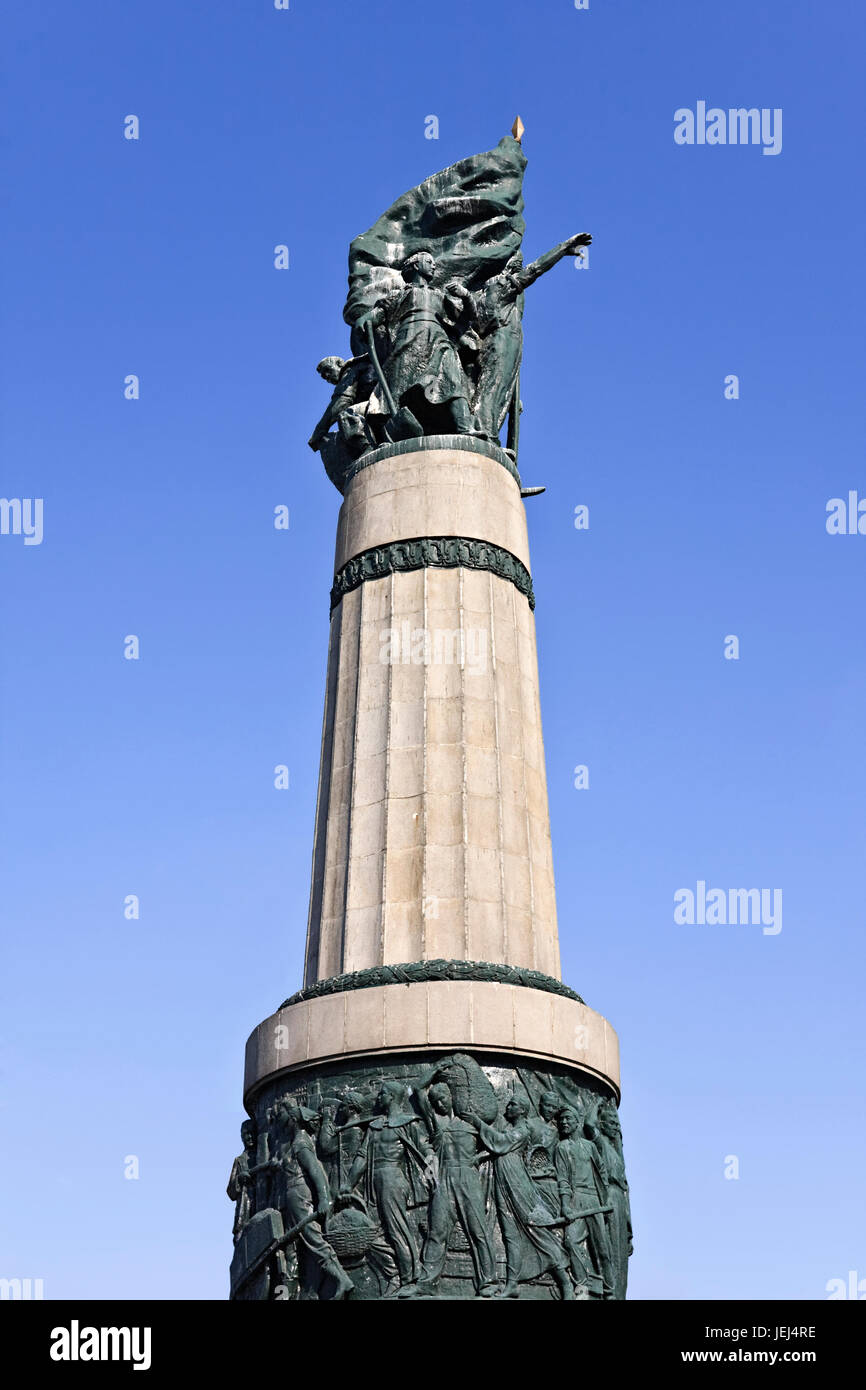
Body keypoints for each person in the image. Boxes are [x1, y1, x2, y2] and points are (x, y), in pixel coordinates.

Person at [474, 233, 592, 441]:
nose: (519, 265)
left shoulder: (482, 292)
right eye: (516, 263)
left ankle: (486, 430)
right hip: (504, 341)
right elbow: (536, 268)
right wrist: (563, 248)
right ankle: (485, 431)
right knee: (495, 388)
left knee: (494, 388)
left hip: (499, 341)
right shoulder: (501, 286)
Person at [356, 251, 480, 437]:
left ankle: (465, 427)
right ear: (416, 265)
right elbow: (373, 317)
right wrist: (364, 322)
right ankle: (387, 433)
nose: (434, 265)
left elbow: (469, 318)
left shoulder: (439, 295)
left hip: (439, 341)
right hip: (408, 343)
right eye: (429, 261)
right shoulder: (400, 294)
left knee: (452, 379)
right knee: (397, 390)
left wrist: (466, 296)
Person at [466, 1096, 574, 1301]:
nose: (508, 1107)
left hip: (517, 1182)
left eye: (512, 1104)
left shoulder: (524, 1128)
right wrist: (479, 1157)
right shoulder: (510, 1127)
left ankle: (565, 1282)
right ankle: (512, 1285)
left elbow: (501, 1143)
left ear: (523, 1111)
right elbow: (498, 1148)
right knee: (510, 1234)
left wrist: (478, 1122)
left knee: (537, 1231)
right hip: (503, 1180)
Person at [402, 1082, 498, 1298]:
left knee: (478, 1231)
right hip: (444, 1179)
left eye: (443, 1098)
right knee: (436, 1232)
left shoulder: (471, 1122)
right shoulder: (436, 1122)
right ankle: (427, 1282)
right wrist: (440, 1069)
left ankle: (488, 1282)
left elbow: (497, 1144)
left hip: (468, 1178)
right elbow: (418, 1090)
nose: (439, 1103)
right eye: (435, 1101)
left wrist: (478, 1157)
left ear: (452, 1097)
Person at [343, 1080, 431, 1293]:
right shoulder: (375, 1126)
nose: (378, 1098)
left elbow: (426, 1149)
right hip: (373, 1183)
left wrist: (431, 1172)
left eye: (382, 1094)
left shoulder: (407, 1123)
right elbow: (362, 1157)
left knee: (397, 1229)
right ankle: (393, 1275)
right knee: (370, 1231)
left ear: (391, 1097)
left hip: (393, 1178)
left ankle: (410, 1279)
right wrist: (348, 1184)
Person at [268, 1098, 353, 1300]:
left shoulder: (301, 1143)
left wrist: (324, 1199)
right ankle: (290, 1295)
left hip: (298, 1196)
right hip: (288, 1198)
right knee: (291, 1249)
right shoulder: (292, 1144)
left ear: (293, 1120)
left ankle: (342, 1279)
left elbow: (315, 1171)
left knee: (313, 1238)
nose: (280, 1121)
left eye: (283, 1117)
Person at [553, 1105, 614, 1299]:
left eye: (568, 1118)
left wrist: (606, 1197)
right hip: (575, 1198)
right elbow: (562, 1178)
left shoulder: (590, 1146)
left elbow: (602, 1170)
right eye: (561, 1119)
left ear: (577, 1121)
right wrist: (564, 1205)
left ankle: (610, 1290)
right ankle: (581, 1287)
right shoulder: (562, 1147)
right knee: (571, 1242)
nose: (564, 1122)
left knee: (602, 1248)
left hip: (594, 1199)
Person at [595, 1100, 633, 1299]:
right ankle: (608, 1289)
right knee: (609, 1247)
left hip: (619, 1199)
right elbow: (589, 1125)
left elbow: (626, 1188)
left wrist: (629, 1228)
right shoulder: (600, 1142)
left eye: (617, 1124)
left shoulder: (617, 1153)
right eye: (611, 1123)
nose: (616, 1128)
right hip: (608, 1196)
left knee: (619, 1252)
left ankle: (618, 1292)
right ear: (602, 1125)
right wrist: (597, 1105)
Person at [227, 1119, 257, 1244]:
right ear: (241, 1137)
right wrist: (239, 1179)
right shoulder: (239, 1160)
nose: (249, 1137)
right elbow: (230, 1192)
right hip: (245, 1208)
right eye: (246, 1134)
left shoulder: (263, 1155)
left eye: (251, 1133)